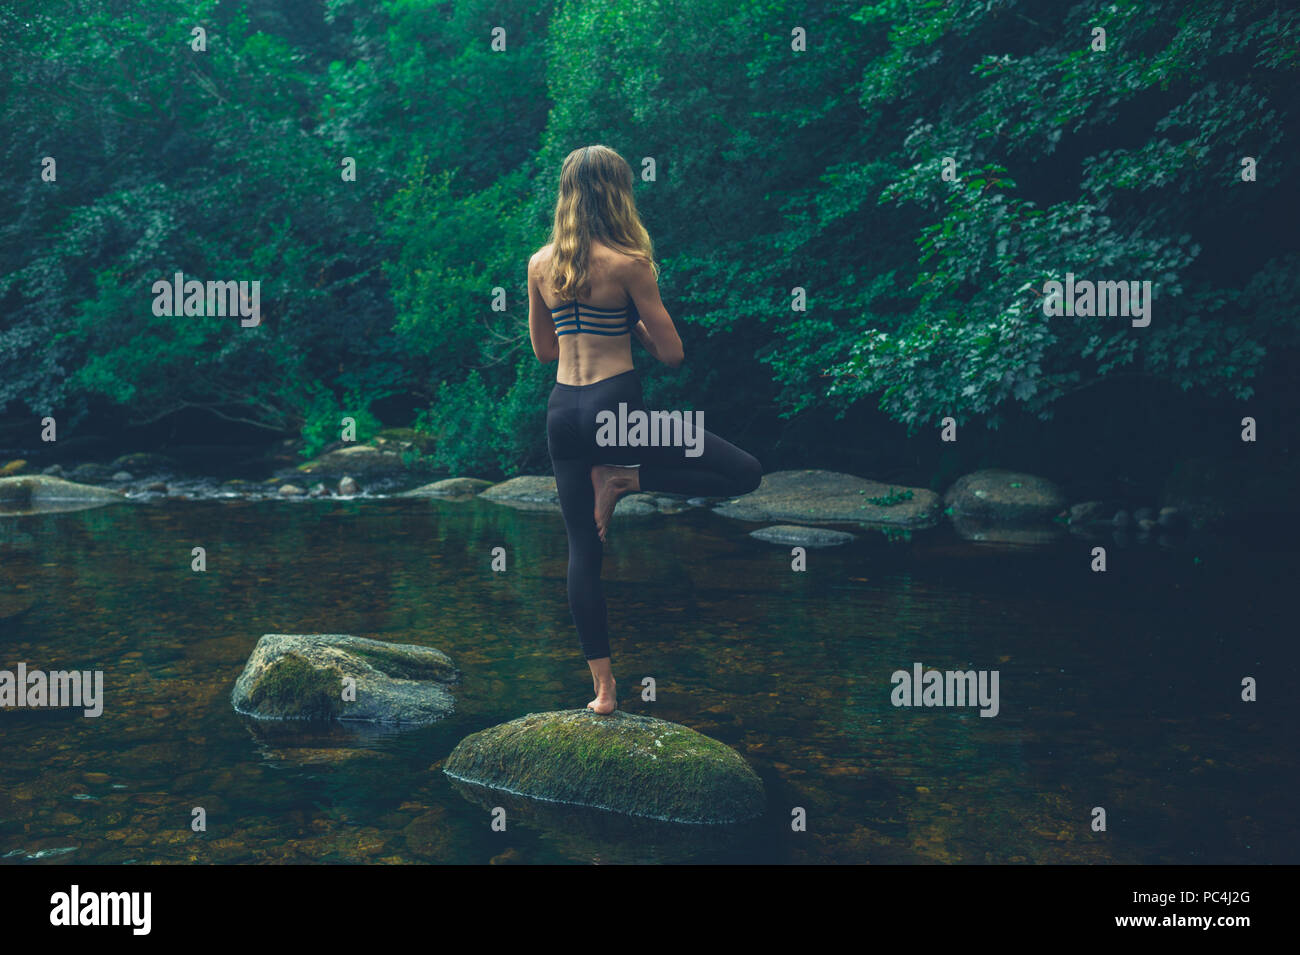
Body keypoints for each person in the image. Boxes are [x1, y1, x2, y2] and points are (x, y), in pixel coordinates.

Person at [526, 144, 762, 715]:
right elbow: (674, 354)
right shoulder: (630, 263)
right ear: (617, 192)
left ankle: (604, 692)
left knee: (583, 553)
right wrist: (628, 320)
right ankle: (627, 480)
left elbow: (543, 351)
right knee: (744, 472)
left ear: (566, 194)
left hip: (563, 413)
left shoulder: (539, 264)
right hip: (617, 414)